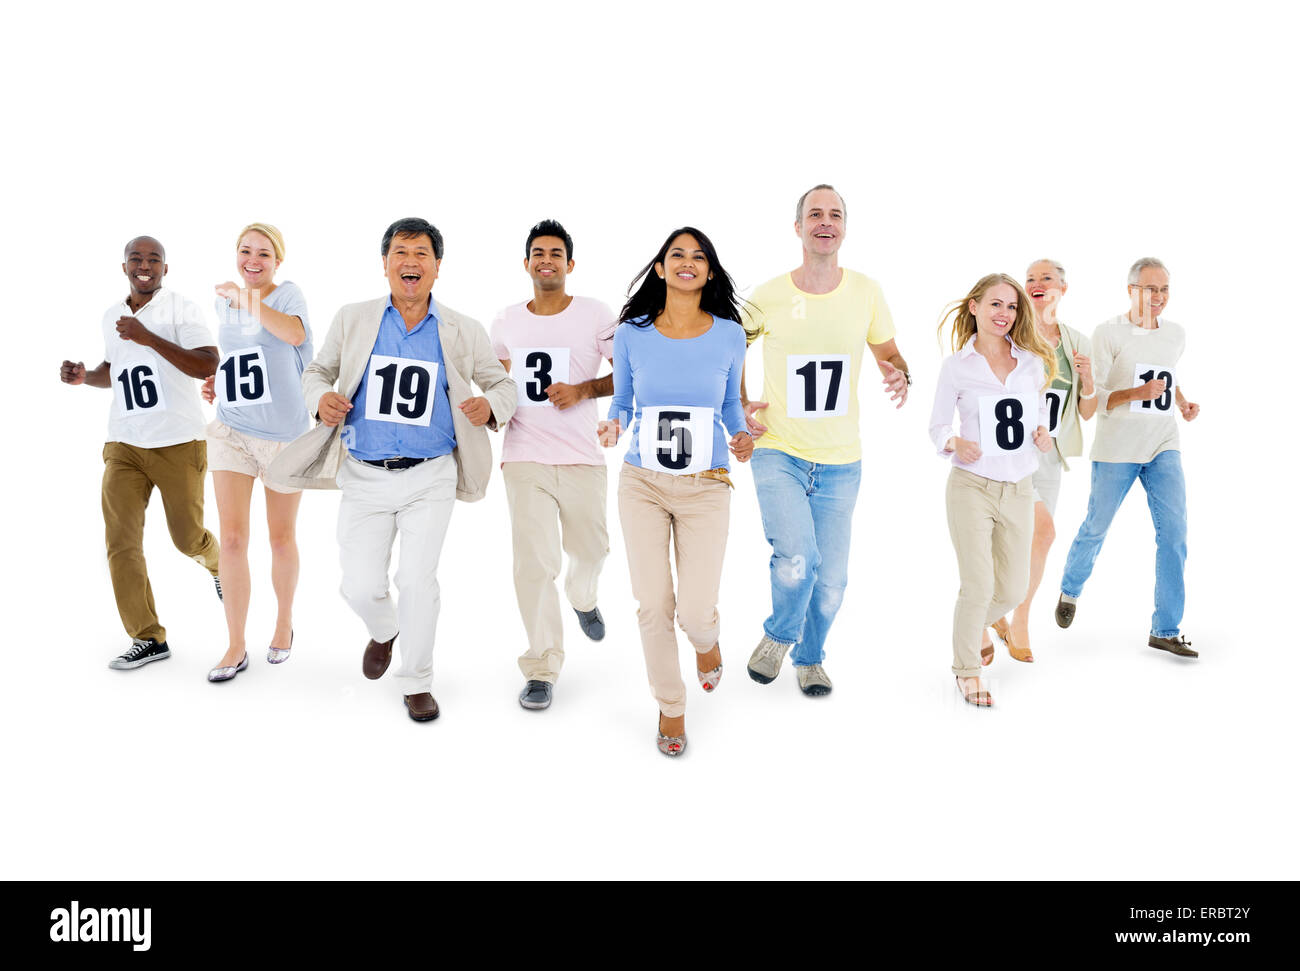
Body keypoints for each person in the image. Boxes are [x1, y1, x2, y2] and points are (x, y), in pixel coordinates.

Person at [267, 217, 516, 721]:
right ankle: (384, 629)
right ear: (384, 264)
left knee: (417, 579)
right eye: (400, 252)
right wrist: (321, 399)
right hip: (363, 471)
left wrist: (491, 406)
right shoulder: (354, 318)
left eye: (422, 254)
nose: (410, 262)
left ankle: (417, 680)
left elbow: (501, 383)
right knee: (357, 583)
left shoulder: (462, 328)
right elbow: (316, 371)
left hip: (432, 473)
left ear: (437, 268)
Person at [741, 184, 910, 697]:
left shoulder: (866, 291)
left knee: (831, 585)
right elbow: (727, 352)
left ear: (844, 228)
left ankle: (810, 658)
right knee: (797, 559)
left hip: (841, 461)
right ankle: (779, 637)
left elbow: (890, 354)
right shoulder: (768, 293)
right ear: (798, 228)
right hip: (779, 451)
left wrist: (901, 374)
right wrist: (741, 404)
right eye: (815, 213)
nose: (825, 221)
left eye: (835, 214)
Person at [599, 227, 752, 756]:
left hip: (706, 487)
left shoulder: (731, 334)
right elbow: (622, 400)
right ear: (660, 268)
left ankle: (706, 642)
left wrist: (741, 437)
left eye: (699, 256)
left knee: (693, 610)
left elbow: (731, 404)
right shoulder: (631, 332)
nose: (688, 262)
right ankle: (671, 706)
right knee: (652, 603)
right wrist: (613, 425)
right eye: (676, 255)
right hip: (642, 482)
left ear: (709, 271)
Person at [60, 236, 221, 670]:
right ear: (125, 266)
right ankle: (148, 637)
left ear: (166, 269)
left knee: (187, 537)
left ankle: (216, 561)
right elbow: (114, 371)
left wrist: (148, 336)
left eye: (154, 260)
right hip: (124, 444)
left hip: (177, 442)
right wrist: (84, 378)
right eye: (137, 259)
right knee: (121, 543)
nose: (145, 266)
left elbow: (208, 364)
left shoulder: (181, 308)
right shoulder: (112, 315)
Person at [490, 219, 615, 710]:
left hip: (583, 455)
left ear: (569, 264)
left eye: (556, 253)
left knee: (592, 548)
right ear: (526, 263)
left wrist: (583, 390)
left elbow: (629, 372)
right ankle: (542, 666)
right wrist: (496, 411)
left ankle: (583, 595)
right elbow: (497, 380)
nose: (547, 260)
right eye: (538, 252)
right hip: (524, 457)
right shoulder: (504, 321)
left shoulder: (594, 314)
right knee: (535, 564)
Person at [1055, 258, 1199, 657]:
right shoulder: (1107, 333)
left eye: (1164, 290)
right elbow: (1094, 397)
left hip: (1163, 444)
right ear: (1131, 290)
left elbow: (1166, 374)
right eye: (1150, 289)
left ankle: (1165, 629)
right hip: (1117, 448)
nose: (1158, 298)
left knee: (1174, 534)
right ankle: (1070, 589)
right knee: (1095, 527)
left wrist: (1183, 403)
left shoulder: (1175, 334)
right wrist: (1136, 395)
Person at [929, 273, 1055, 706]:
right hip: (972, 487)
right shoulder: (957, 367)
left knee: (1014, 589)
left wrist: (1044, 434)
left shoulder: (1031, 363)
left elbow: (1039, 415)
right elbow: (937, 426)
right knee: (978, 584)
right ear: (974, 308)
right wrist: (953, 443)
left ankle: (971, 626)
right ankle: (967, 671)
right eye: (996, 305)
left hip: (1019, 486)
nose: (1005, 314)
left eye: (1012, 307)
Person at [199, 223, 314, 682]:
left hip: (283, 436)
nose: (252, 260)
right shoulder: (225, 302)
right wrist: (220, 381)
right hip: (233, 430)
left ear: (277, 261)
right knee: (231, 538)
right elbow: (241, 357)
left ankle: (284, 622)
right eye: (245, 251)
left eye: (263, 253)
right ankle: (234, 644)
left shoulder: (287, 296)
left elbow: (290, 336)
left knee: (281, 537)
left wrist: (247, 297)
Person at [989, 259, 1097, 662]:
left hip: (1050, 457)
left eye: (1046, 278)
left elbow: (1086, 412)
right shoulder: (1011, 333)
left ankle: (1009, 615)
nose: (1036, 284)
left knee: (1035, 539)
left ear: (1062, 289)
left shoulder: (1076, 342)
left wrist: (1088, 382)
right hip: (1011, 451)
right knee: (1035, 533)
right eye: (1030, 278)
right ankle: (1008, 616)